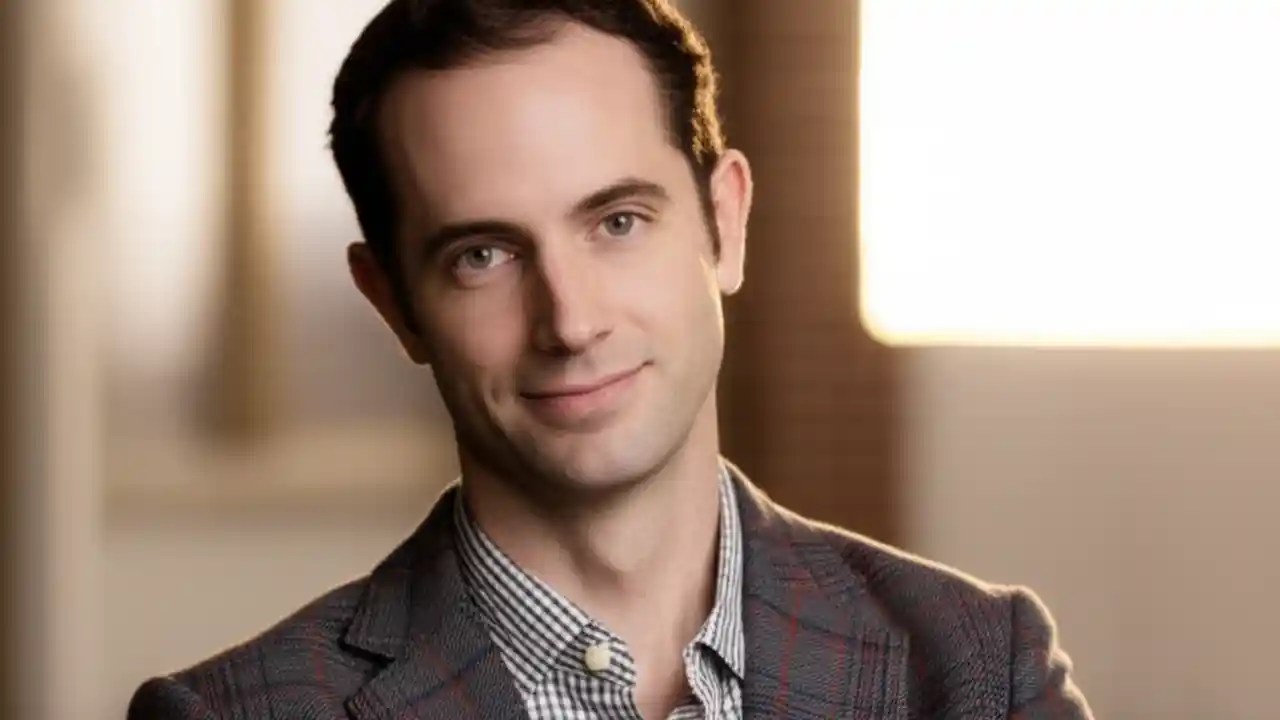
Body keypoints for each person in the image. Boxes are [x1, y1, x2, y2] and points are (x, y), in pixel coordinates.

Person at [129, 0, 1093, 718]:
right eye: (484, 255)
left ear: (726, 222)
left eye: (618, 221)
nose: (570, 319)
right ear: (394, 306)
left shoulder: (978, 670)